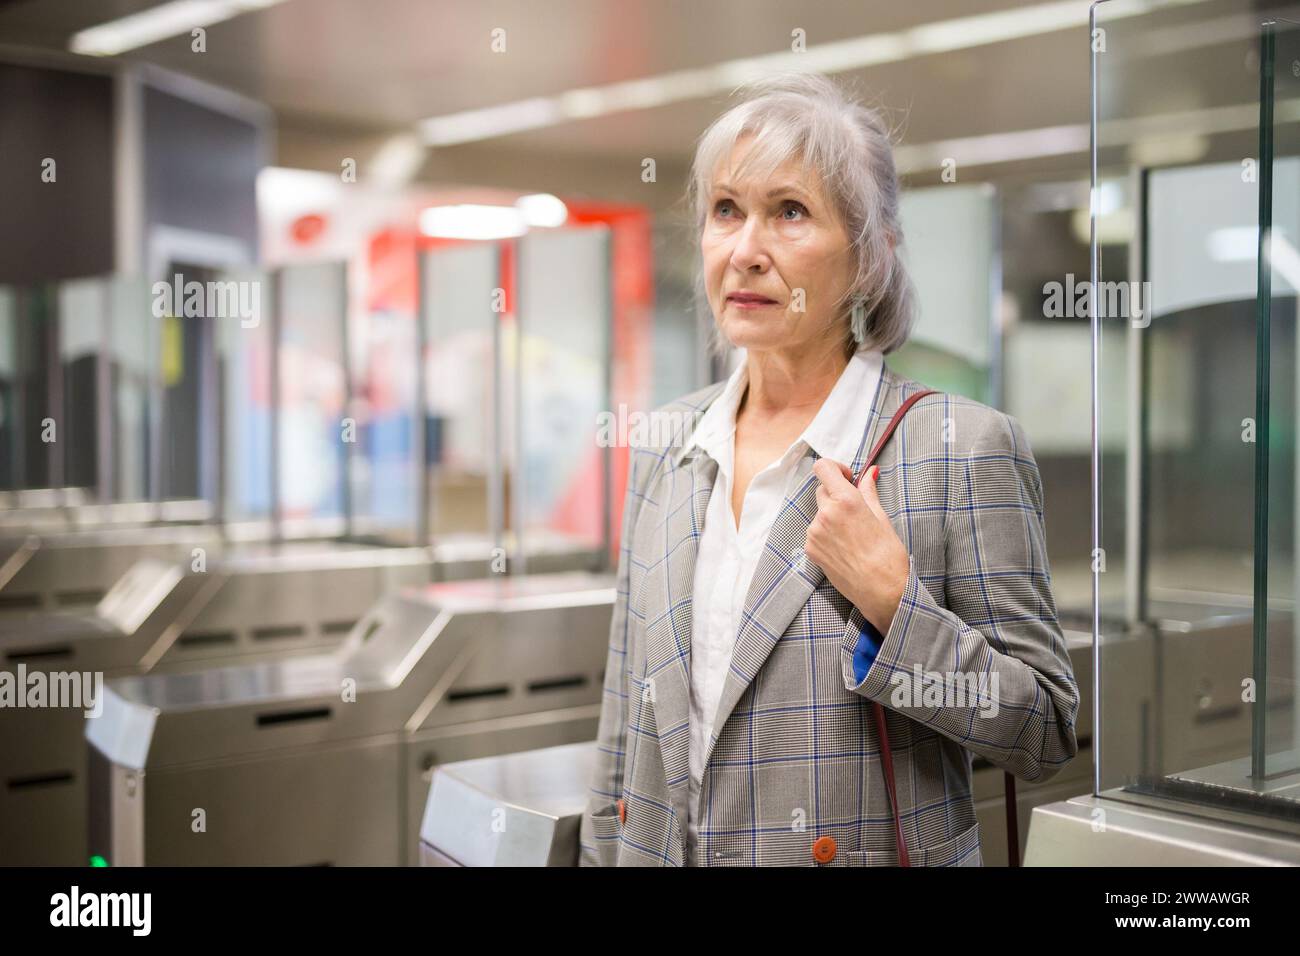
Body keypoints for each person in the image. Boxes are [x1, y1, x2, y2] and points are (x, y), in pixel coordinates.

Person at [579, 72, 1078, 867]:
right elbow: (622, 723)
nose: (746, 251)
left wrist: (895, 605)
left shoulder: (960, 449)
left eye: (790, 213)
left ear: (871, 253)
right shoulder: (668, 443)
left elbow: (1045, 731)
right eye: (726, 210)